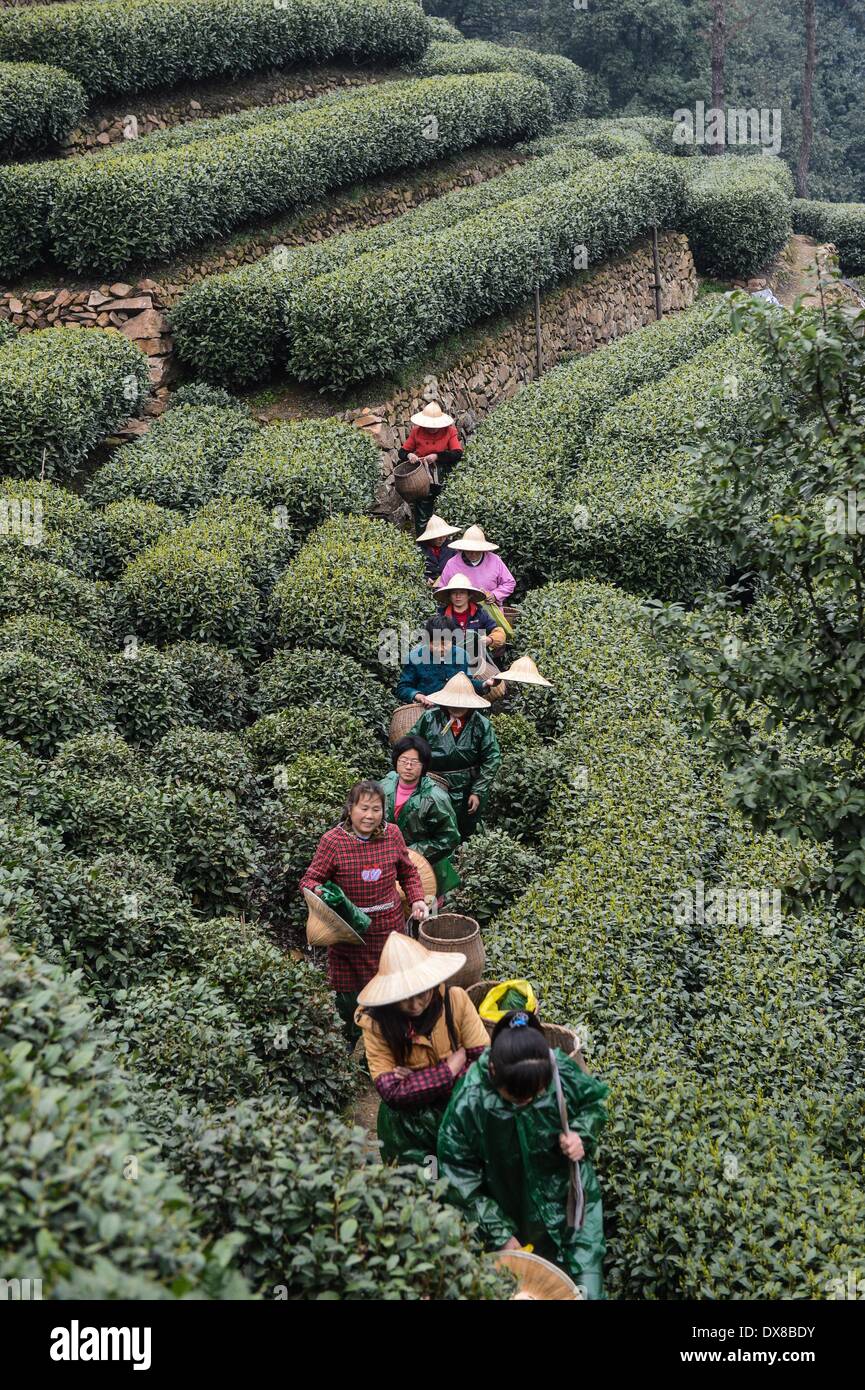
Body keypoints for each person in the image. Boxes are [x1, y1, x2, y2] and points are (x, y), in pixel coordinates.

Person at [437, 1010, 609, 1299]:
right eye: (517, 1097)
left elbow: (593, 1105)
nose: (527, 1102)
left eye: (535, 1094)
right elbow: (457, 1174)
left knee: (586, 1290)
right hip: (508, 1208)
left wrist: (581, 1134)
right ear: (493, 1072)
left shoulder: (559, 1069)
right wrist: (498, 1232)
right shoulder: (471, 1099)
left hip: (569, 1203)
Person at [300, 780, 429, 1042]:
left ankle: (380, 1047)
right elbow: (309, 880)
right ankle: (349, 1040)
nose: (370, 816)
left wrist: (416, 899)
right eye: (364, 808)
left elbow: (408, 870)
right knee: (349, 999)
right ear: (350, 809)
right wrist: (322, 893)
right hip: (348, 936)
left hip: (387, 931)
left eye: (376, 809)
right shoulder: (333, 841)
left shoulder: (392, 834)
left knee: (389, 993)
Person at [356, 933, 490, 1167]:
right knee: (417, 1187)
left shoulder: (455, 1001)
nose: (415, 1005)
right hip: (407, 1126)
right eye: (405, 998)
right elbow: (392, 1093)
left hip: (458, 1111)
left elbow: (484, 1062)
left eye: (422, 994)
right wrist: (447, 1071)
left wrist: (417, 1080)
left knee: (458, 1181)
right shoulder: (376, 1023)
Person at [413, 672, 502, 839]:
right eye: (452, 703)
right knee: (432, 828)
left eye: (461, 704)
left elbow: (492, 758)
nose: (456, 708)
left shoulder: (481, 724)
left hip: (467, 785)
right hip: (433, 782)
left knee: (465, 829)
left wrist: (477, 791)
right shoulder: (429, 718)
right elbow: (411, 746)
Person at [380, 734, 461, 899]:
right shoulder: (385, 786)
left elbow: (449, 838)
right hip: (389, 863)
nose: (408, 766)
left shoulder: (435, 798)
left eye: (415, 762)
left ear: (423, 765)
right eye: (403, 760)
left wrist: (410, 852)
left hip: (427, 866)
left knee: (424, 909)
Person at [396, 616, 500, 707]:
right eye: (435, 644)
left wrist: (485, 684)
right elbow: (403, 688)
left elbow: (467, 684)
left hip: (457, 709)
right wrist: (418, 696)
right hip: (427, 712)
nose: (440, 648)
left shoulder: (462, 655)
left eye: (445, 644)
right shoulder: (416, 657)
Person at [397, 401, 464, 536]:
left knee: (441, 505)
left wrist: (437, 456)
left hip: (442, 470)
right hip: (422, 476)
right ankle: (423, 540)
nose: (432, 428)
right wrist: (410, 455)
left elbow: (457, 453)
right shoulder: (417, 432)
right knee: (422, 506)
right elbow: (402, 452)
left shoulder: (450, 431)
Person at [439, 525, 515, 605]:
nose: (473, 553)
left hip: (489, 610)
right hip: (460, 612)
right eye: (469, 550)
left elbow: (509, 583)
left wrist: (495, 595)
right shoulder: (452, 563)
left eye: (477, 550)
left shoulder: (495, 560)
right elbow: (442, 588)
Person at [434, 572, 506, 652]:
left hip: (477, 658)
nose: (458, 596)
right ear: (449, 596)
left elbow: (498, 632)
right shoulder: (441, 615)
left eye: (462, 592)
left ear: (469, 595)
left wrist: (490, 639)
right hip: (450, 658)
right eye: (454, 593)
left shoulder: (480, 613)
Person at [415, 514, 462, 585]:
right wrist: (425, 578)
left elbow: (458, 567)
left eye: (444, 536)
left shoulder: (451, 548)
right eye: (438, 536)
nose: (441, 539)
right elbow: (415, 570)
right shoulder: (419, 549)